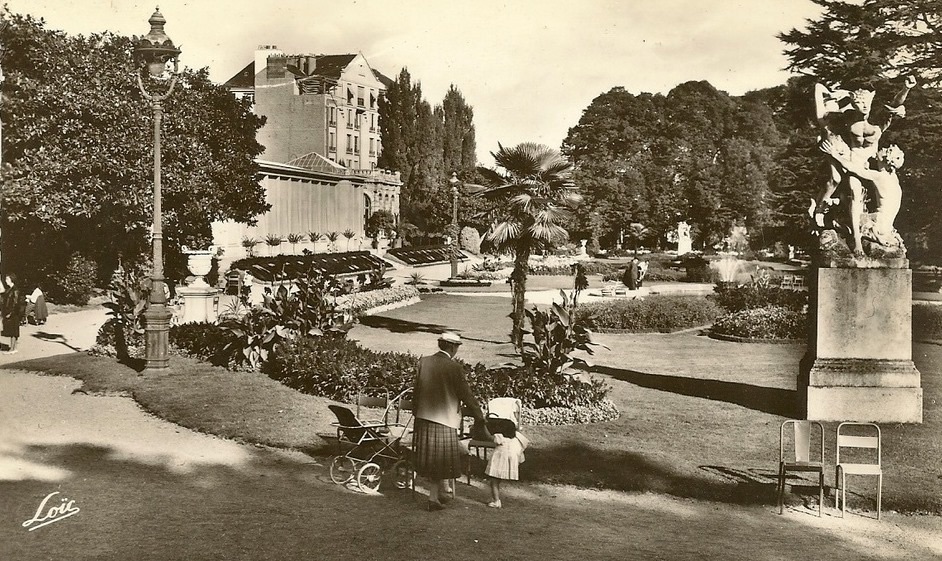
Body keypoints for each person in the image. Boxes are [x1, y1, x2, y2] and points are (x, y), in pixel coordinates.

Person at [412, 331, 486, 511]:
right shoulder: (454, 368)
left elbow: (416, 391)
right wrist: (479, 415)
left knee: (432, 459)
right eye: (457, 347)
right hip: (444, 419)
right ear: (452, 347)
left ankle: (437, 494)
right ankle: (435, 496)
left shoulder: (424, 362)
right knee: (441, 460)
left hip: (424, 418)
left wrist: (417, 413)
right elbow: (466, 395)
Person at [820, 138, 905, 247]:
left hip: (877, 225)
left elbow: (853, 168)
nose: (881, 149)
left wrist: (834, 154)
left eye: (884, 150)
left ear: (886, 159)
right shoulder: (893, 178)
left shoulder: (880, 177)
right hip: (888, 227)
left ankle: (854, 242)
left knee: (843, 217)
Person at [484, 406, 530, 509]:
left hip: (500, 460)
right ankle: (495, 498)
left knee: (494, 481)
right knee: (497, 480)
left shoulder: (500, 437)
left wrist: (483, 425)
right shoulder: (516, 438)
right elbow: (523, 444)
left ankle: (496, 501)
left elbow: (488, 437)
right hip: (510, 459)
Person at [2, 274, 25, 354]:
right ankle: (14, 348)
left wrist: (10, 313)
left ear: (12, 280)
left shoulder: (15, 290)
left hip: (13, 313)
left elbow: (15, 303)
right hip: (10, 312)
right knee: (13, 330)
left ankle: (12, 349)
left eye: (7, 279)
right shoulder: (9, 289)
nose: (6, 281)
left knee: (13, 330)